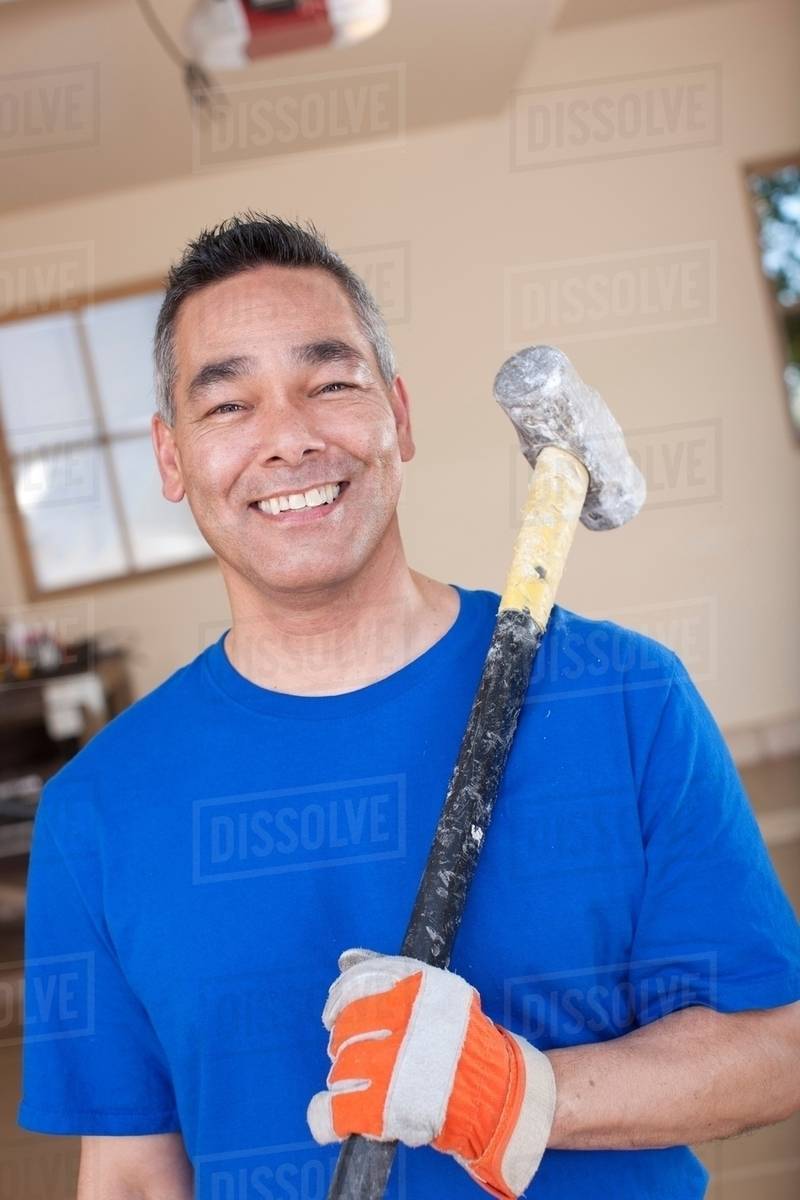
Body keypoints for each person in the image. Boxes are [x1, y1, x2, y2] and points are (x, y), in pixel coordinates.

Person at [17, 214, 800, 1200]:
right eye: (227, 407)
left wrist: (523, 1093)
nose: (289, 438)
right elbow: (130, 1174)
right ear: (171, 461)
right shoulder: (96, 810)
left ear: (399, 414)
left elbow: (774, 1050)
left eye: (330, 383)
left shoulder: (622, 694)